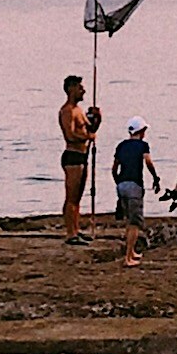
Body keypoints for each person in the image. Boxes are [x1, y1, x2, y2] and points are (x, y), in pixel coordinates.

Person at [108, 120, 160, 263]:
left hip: (122, 185)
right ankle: (128, 257)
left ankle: (131, 252)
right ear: (141, 131)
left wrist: (118, 182)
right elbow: (148, 162)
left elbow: (114, 169)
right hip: (134, 185)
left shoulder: (121, 146)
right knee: (134, 223)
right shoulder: (143, 145)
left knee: (128, 220)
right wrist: (156, 178)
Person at [57, 76, 98, 243]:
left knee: (79, 197)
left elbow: (91, 128)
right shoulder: (67, 111)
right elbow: (70, 134)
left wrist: (97, 118)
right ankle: (70, 234)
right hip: (72, 156)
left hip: (83, 155)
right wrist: (87, 136)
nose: (83, 91)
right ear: (71, 88)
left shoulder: (79, 110)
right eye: (80, 88)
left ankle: (76, 229)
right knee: (71, 197)